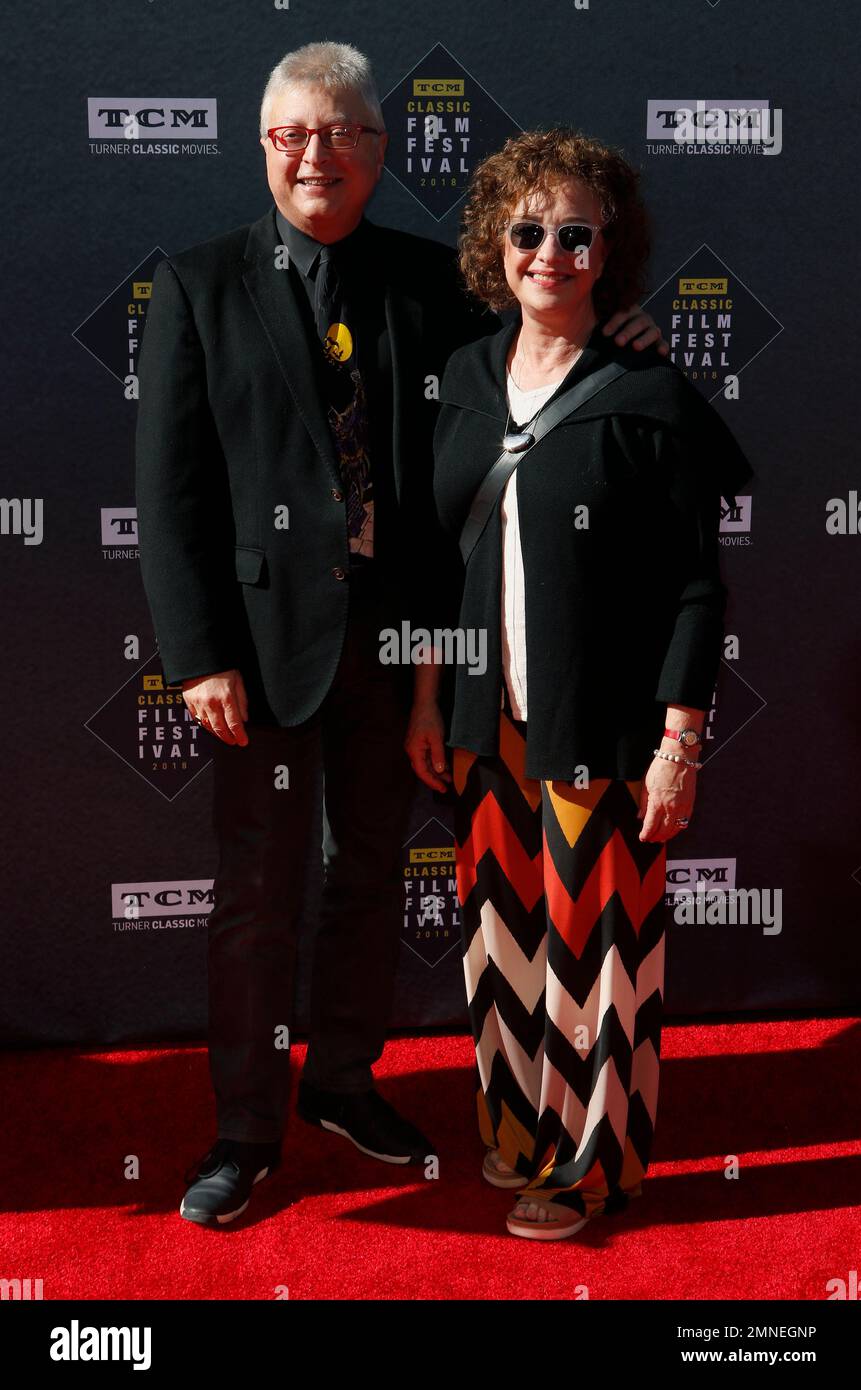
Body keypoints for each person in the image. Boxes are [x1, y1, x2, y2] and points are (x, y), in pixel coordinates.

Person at [135, 43, 669, 1228]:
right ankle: (244, 1125)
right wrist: (198, 652)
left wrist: (625, 334)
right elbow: (168, 492)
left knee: (370, 876)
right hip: (261, 652)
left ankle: (340, 1081)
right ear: (262, 147)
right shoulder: (200, 283)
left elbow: (537, 354)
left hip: (394, 649)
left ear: (378, 152)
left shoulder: (430, 284)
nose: (314, 154)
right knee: (258, 891)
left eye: (339, 134)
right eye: (290, 134)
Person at [406, 125, 753, 1240]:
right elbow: (436, 557)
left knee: (597, 949)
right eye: (525, 231)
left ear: (607, 251)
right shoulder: (462, 374)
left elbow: (698, 588)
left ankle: (591, 1168)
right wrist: (427, 694)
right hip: (479, 714)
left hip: (599, 720)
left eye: (572, 234)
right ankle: (516, 1133)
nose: (546, 252)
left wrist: (677, 741)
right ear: (492, 246)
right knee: (501, 936)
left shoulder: (645, 393)